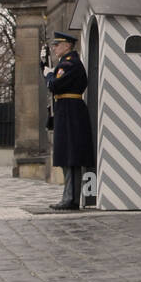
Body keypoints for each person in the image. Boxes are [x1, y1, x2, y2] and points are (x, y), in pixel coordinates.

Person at [44, 32, 95, 210]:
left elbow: (55, 85)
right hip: (66, 110)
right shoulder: (65, 63)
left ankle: (71, 198)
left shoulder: (69, 64)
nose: (54, 48)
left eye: (57, 45)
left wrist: (49, 75)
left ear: (67, 45)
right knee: (67, 155)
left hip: (70, 112)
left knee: (71, 155)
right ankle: (69, 197)